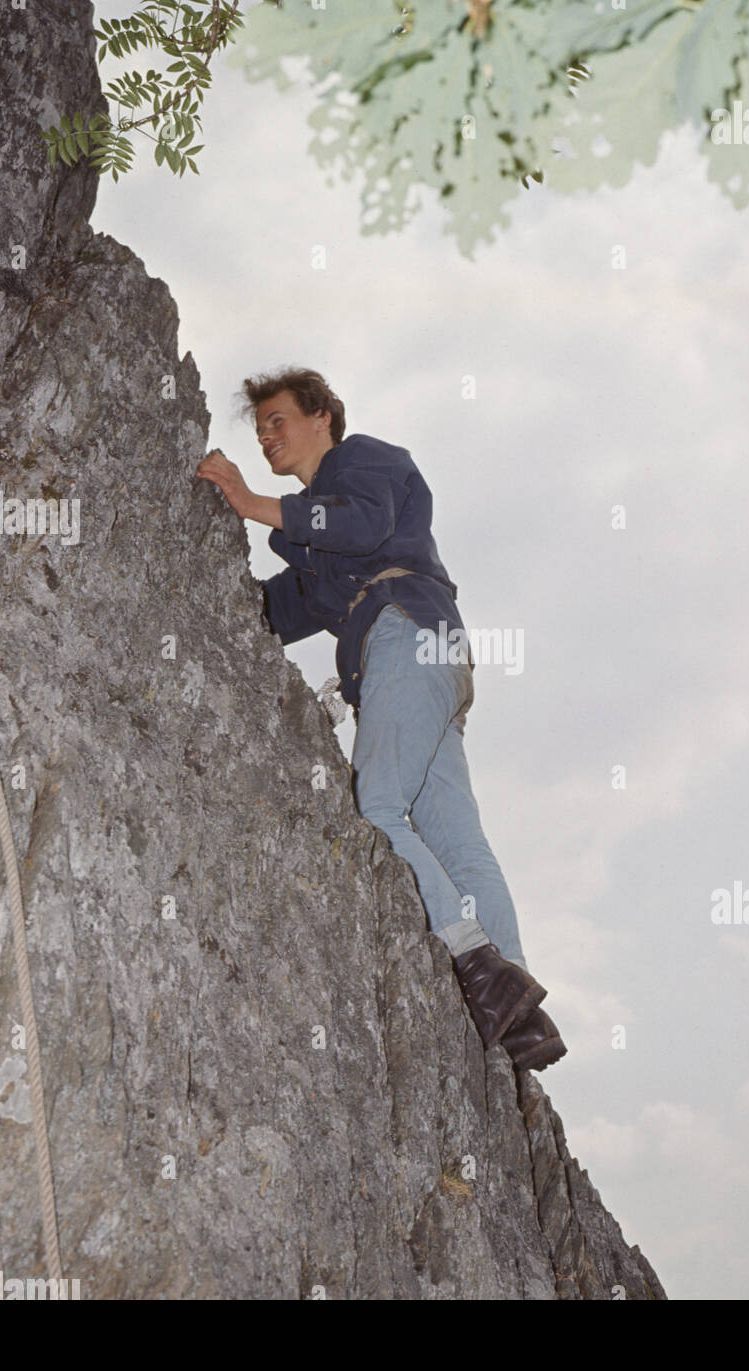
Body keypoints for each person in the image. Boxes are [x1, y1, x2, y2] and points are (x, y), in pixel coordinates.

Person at [196, 367, 566, 1072]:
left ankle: (479, 963)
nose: (268, 435)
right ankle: (522, 1009)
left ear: (322, 417)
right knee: (458, 839)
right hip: (424, 662)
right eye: (260, 427)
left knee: (380, 807)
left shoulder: (366, 460)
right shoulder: (319, 546)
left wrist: (250, 501)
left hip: (406, 635)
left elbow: (360, 522)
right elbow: (277, 612)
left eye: (278, 419)